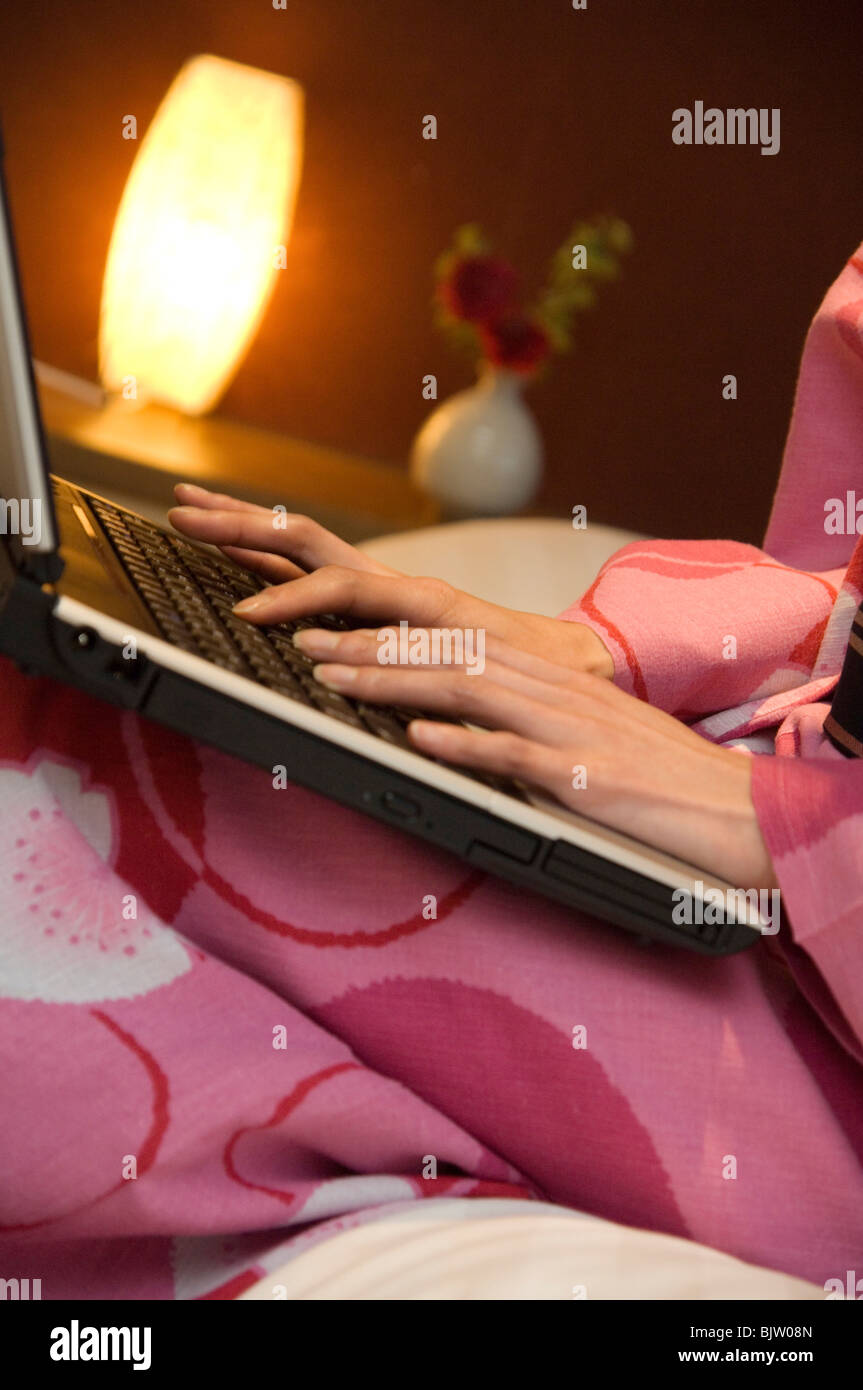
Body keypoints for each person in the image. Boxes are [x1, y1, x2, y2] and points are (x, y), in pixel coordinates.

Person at [0, 248, 861, 1301]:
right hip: (756, 775)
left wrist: (798, 828)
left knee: (97, 762)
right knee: (106, 669)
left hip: (818, 1003)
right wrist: (604, 653)